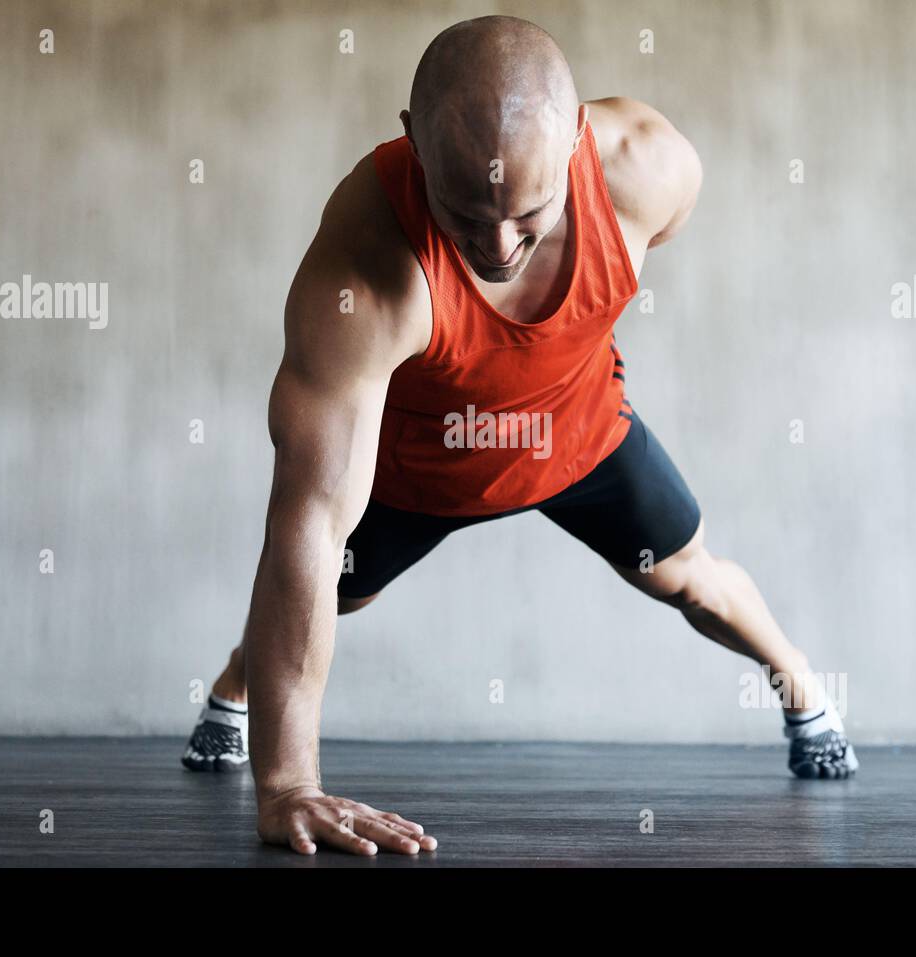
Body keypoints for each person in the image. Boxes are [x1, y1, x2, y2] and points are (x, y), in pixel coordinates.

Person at [182, 15, 858, 856]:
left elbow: (614, 275)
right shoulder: (365, 265)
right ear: (413, 146)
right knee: (331, 586)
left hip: (578, 433)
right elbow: (305, 529)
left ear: (577, 140)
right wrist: (288, 784)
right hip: (423, 469)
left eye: (527, 213)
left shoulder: (649, 167)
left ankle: (803, 691)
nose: (498, 247)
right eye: (465, 216)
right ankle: (233, 690)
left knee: (690, 578)